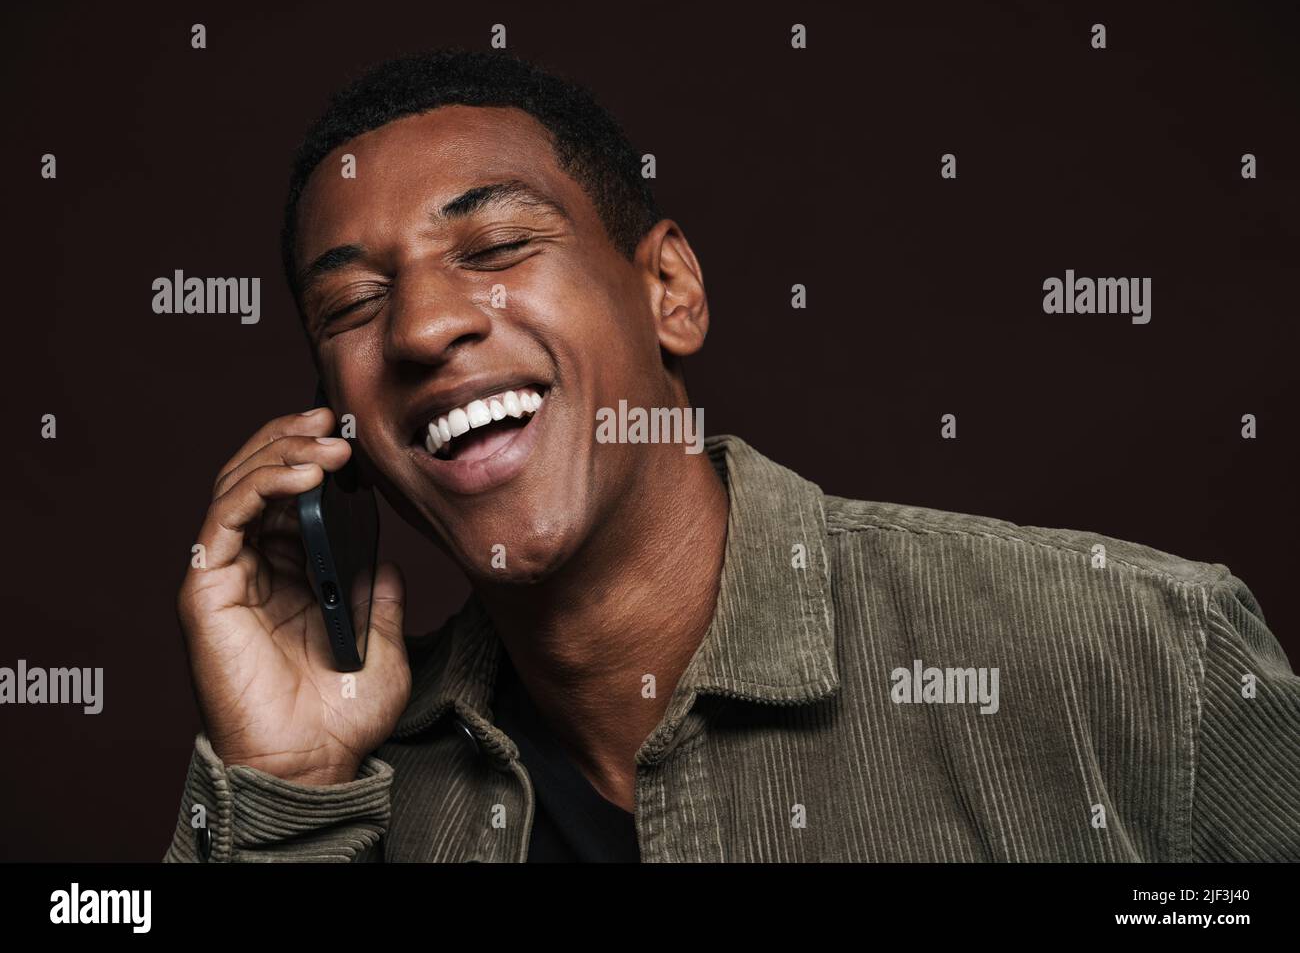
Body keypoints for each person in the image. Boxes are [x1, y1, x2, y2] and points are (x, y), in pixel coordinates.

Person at [164, 49, 1299, 863]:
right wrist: (289, 796)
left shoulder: (1143, 660)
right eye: (354, 307)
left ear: (670, 291)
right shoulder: (336, 779)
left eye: (499, 246)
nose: (418, 330)